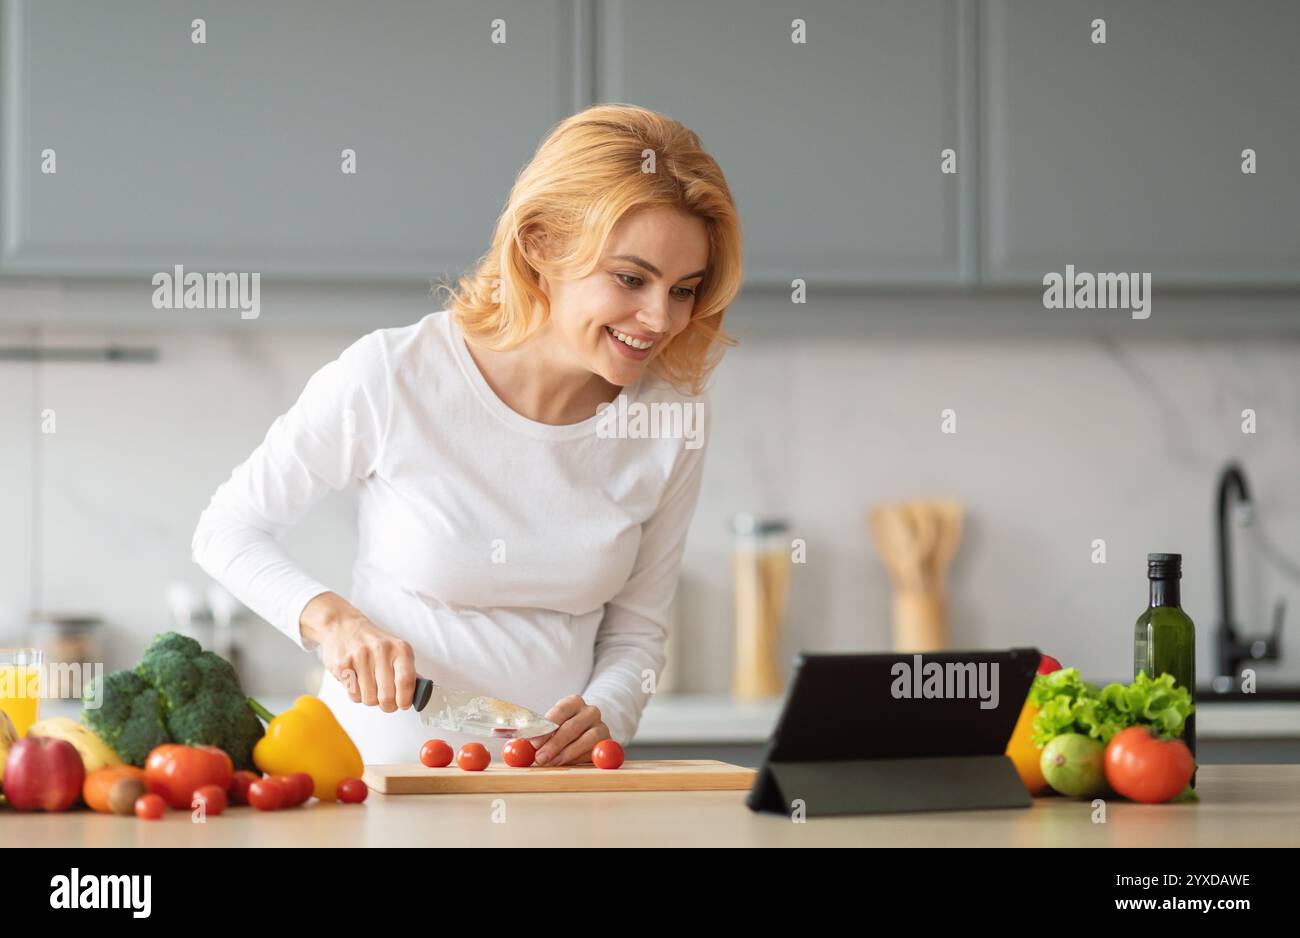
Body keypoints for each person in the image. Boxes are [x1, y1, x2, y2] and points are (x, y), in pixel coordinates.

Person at [192, 104, 742, 766]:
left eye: (684, 289)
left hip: (551, 796)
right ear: (540, 243)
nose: (660, 318)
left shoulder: (668, 421)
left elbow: (636, 630)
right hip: (377, 788)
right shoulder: (395, 376)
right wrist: (335, 622)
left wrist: (607, 717)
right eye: (630, 278)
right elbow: (226, 529)